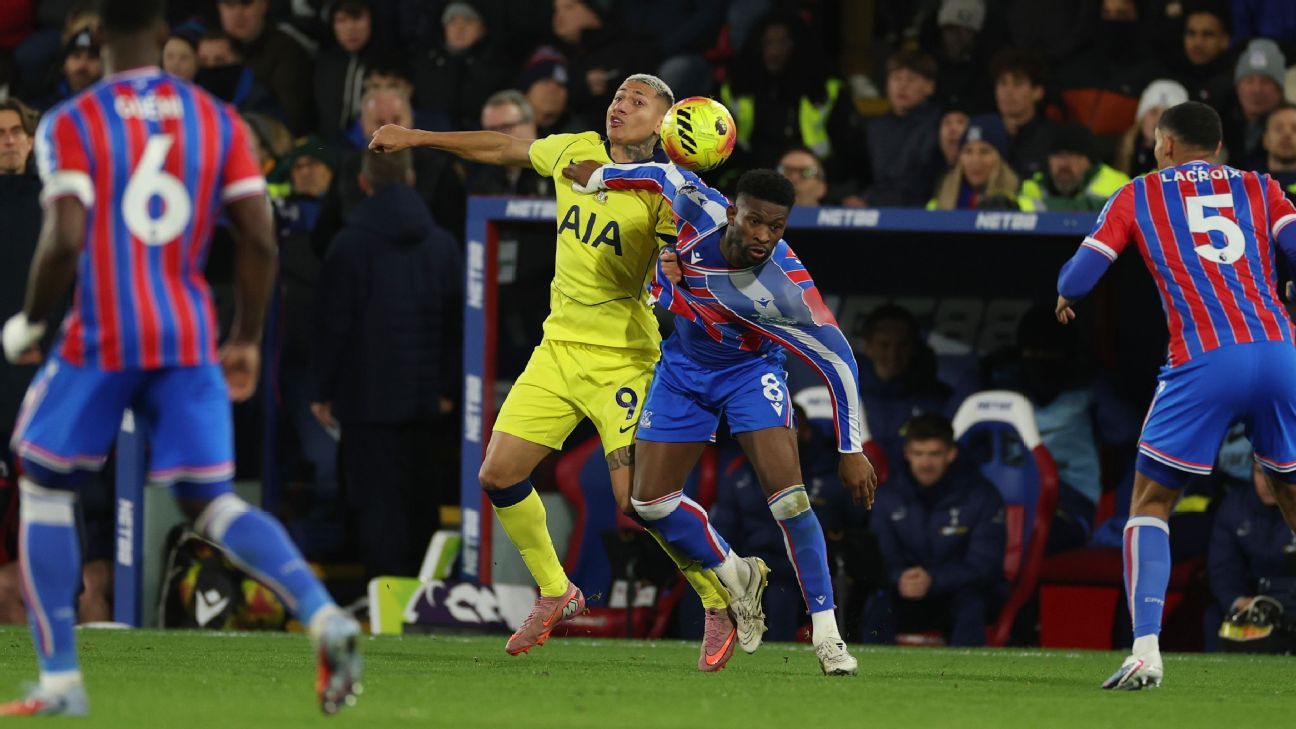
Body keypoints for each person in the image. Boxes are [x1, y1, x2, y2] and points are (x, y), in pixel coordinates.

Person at [0, 0, 360, 716]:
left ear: (98, 38)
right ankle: (324, 614)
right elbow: (259, 236)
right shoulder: (215, 119)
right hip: (187, 333)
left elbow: (64, 238)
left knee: (41, 481)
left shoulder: (74, 119)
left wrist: (31, 321)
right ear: (165, 37)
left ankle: (61, 679)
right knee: (211, 499)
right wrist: (245, 337)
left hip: (104, 331)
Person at [368, 74, 743, 672]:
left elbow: (695, 261)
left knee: (638, 501)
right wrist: (415, 137)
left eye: (637, 102)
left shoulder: (666, 191)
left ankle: (717, 599)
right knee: (498, 474)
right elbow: (502, 147)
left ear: (664, 124)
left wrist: (678, 263)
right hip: (557, 351)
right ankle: (555, 590)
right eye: (619, 97)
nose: (620, 106)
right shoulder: (574, 149)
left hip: (624, 360)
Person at [562, 162, 879, 675]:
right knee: (648, 502)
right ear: (732, 213)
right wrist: (600, 175)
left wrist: (851, 448)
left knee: (791, 501)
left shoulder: (786, 290)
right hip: (683, 371)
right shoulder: (701, 207)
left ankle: (828, 636)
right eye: (754, 221)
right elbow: (659, 173)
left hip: (750, 373)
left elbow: (839, 359)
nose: (763, 236)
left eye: (776, 226)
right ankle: (736, 573)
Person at [1055, 101, 1296, 690]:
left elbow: (1080, 275)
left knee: (1150, 502)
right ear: (1218, 144)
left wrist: (1066, 295)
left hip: (1206, 360)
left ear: (1164, 144)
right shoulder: (1263, 186)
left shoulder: (1139, 192)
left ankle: (1145, 651)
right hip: (1280, 353)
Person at [311, 150, 461, 580]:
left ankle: (385, 604)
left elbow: (331, 326)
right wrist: (448, 388)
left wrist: (321, 390)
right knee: (421, 506)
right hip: (428, 404)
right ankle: (421, 603)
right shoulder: (442, 245)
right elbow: (458, 326)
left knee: (377, 509)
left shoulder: (348, 246)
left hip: (366, 405)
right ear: (411, 179)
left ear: (363, 183)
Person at [864, 414, 1005, 647]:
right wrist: (900, 577)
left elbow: (986, 564)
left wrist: (934, 579)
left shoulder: (981, 495)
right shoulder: (888, 496)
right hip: (906, 592)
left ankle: (968, 670)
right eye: (918, 453)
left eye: (934, 454)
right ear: (907, 453)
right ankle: (871, 669)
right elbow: (882, 558)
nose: (926, 463)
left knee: (971, 601)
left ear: (951, 454)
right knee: (876, 601)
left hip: (960, 593)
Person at [1207, 462, 1296, 645]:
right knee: (1213, 617)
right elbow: (1222, 568)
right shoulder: (1234, 507)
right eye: (1260, 472)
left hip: (1292, 597)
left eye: (1277, 474)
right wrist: (1237, 601)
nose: (1268, 482)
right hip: (1254, 599)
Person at [857, 49, 943, 208]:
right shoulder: (876, 128)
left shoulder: (939, 123)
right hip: (878, 207)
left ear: (929, 87)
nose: (902, 86)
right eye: (896, 78)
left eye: (911, 79)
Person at [1020, 122, 1130, 212]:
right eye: (1058, 155)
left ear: (1088, 161)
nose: (1064, 163)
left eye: (1072, 155)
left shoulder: (1118, 184)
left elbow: (1087, 208)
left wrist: (1022, 206)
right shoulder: (1033, 185)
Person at [927, 117, 1026, 210]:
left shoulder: (1020, 200)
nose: (975, 161)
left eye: (984, 152)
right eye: (968, 151)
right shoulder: (940, 203)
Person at [468, 90, 552, 197]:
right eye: (491, 131)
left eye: (506, 128)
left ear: (531, 124)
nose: (498, 137)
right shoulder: (484, 177)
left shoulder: (557, 166)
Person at [1223, 38, 1286, 169]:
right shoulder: (1221, 121)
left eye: (1266, 82)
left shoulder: (1291, 125)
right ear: (1238, 88)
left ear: (1280, 90)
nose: (1256, 90)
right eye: (1249, 81)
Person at [1115, 79, 1189, 177]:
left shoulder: (1185, 169)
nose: (1158, 121)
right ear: (1141, 117)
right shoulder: (1115, 151)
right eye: (1153, 112)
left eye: (1166, 116)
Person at [1261, 104, 1296, 196]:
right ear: (1265, 139)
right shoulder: (1243, 185)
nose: (1287, 134)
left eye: (1295, 129)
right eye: (1278, 128)